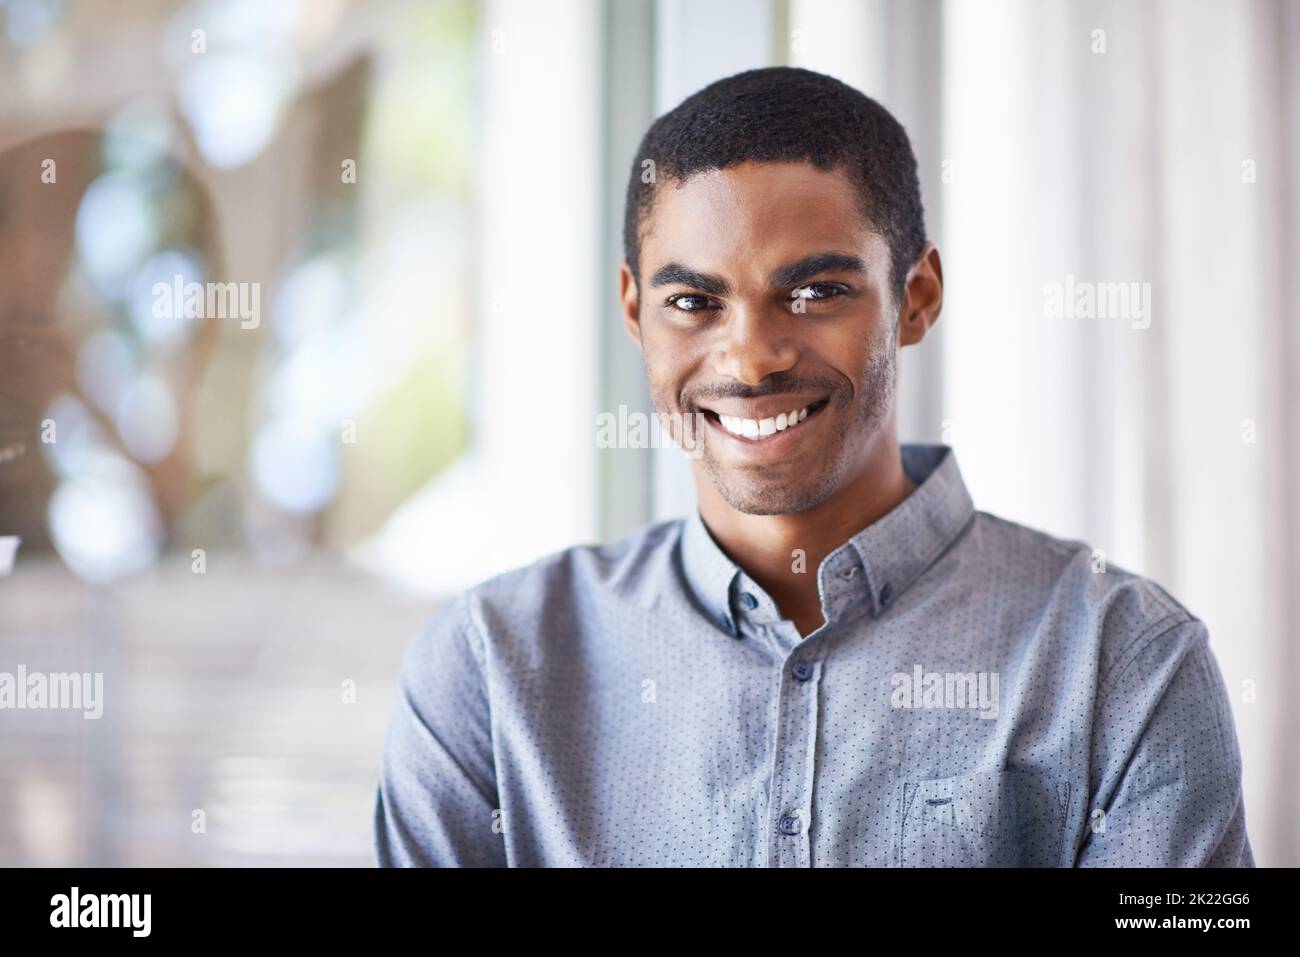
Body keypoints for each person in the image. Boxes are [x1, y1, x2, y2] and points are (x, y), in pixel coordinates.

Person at [373, 66, 1253, 867]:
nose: (751, 358)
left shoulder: (1125, 664)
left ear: (917, 298)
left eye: (817, 292)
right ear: (636, 312)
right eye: (693, 301)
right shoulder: (489, 672)